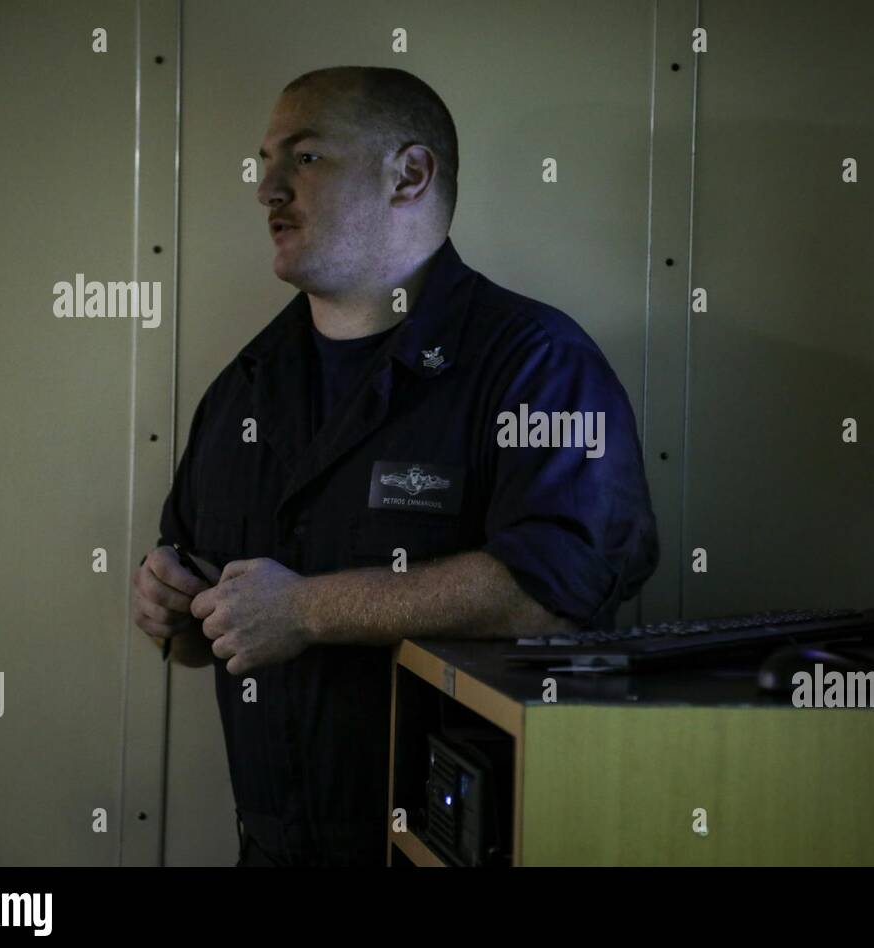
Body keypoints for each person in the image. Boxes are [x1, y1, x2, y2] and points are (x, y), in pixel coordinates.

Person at [130, 66, 659, 866]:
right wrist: (170, 608)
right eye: (265, 161)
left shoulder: (536, 364)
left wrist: (308, 610)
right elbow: (205, 630)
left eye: (304, 159)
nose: (267, 188)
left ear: (409, 175)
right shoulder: (243, 385)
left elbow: (556, 590)